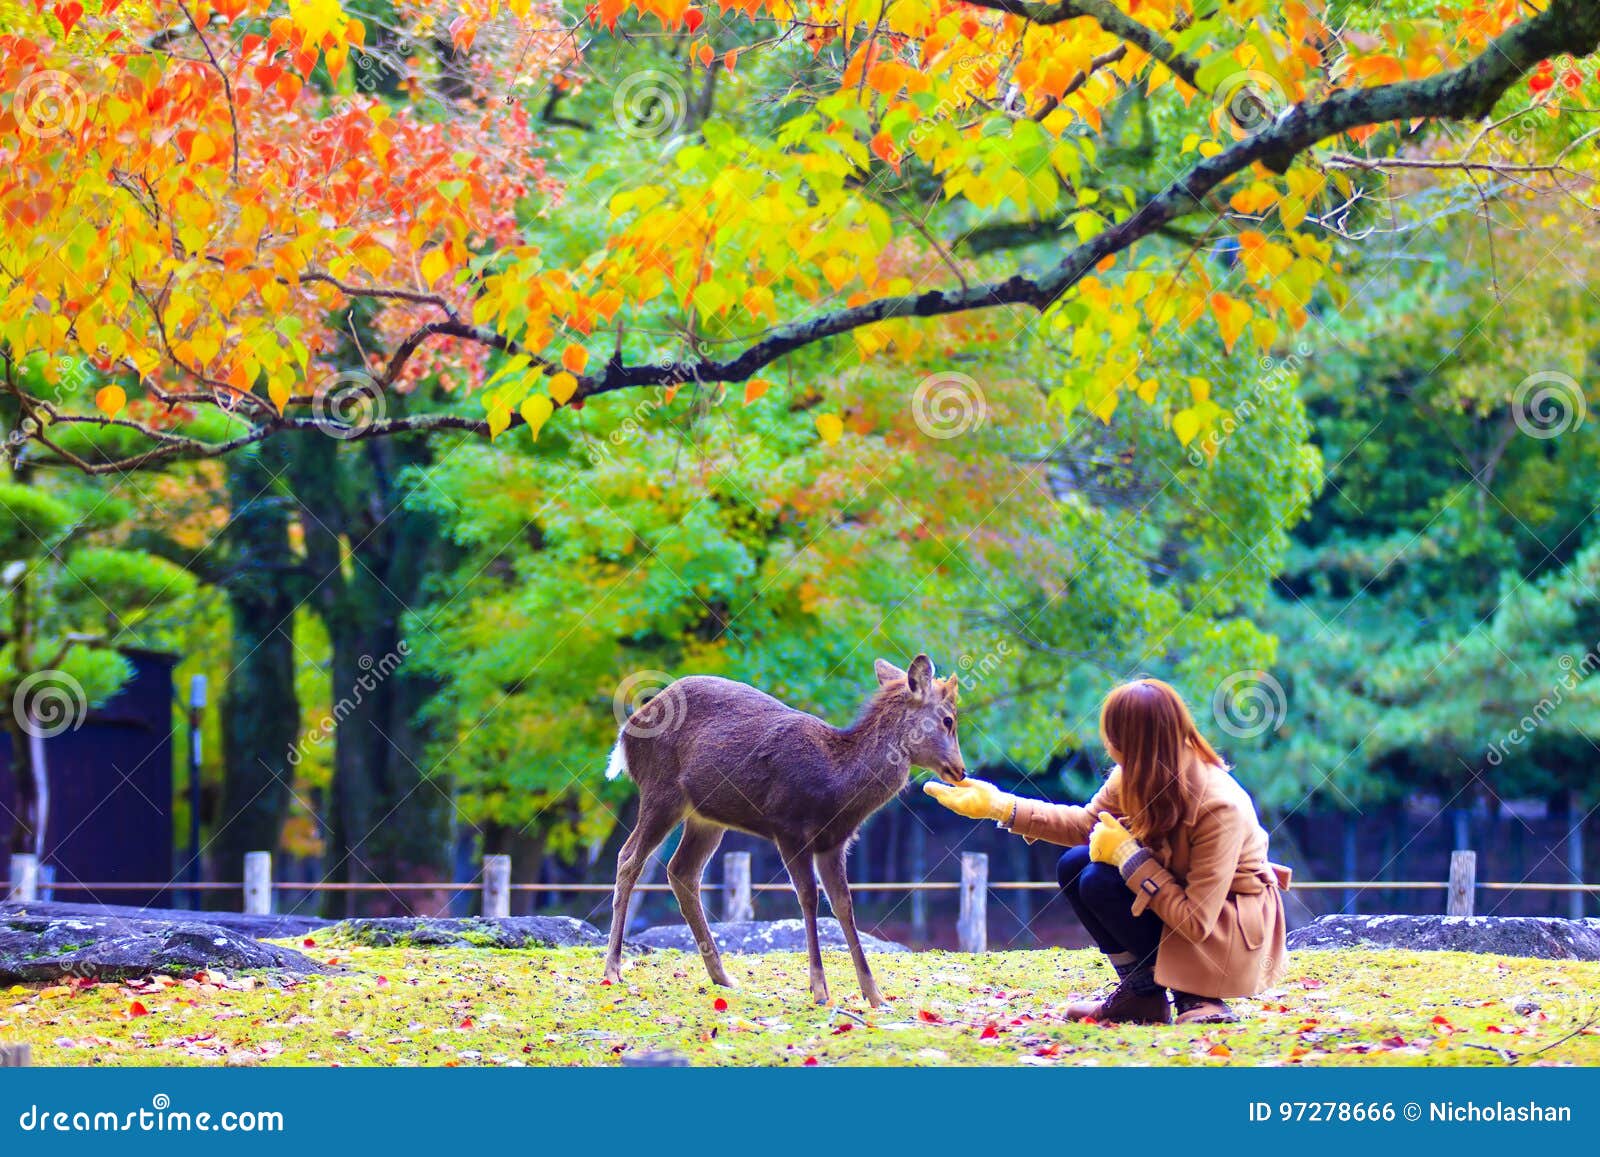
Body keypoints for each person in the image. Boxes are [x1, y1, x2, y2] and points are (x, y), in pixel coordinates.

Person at [924, 678, 1288, 1025]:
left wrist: (1130, 857)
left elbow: (1196, 921)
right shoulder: (1135, 774)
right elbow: (1086, 827)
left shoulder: (1217, 806)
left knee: (1100, 876)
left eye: (1111, 736)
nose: (1107, 746)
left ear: (1128, 741)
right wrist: (1001, 806)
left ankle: (1199, 995)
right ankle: (1142, 993)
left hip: (1227, 930)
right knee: (1077, 864)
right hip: (1182, 906)